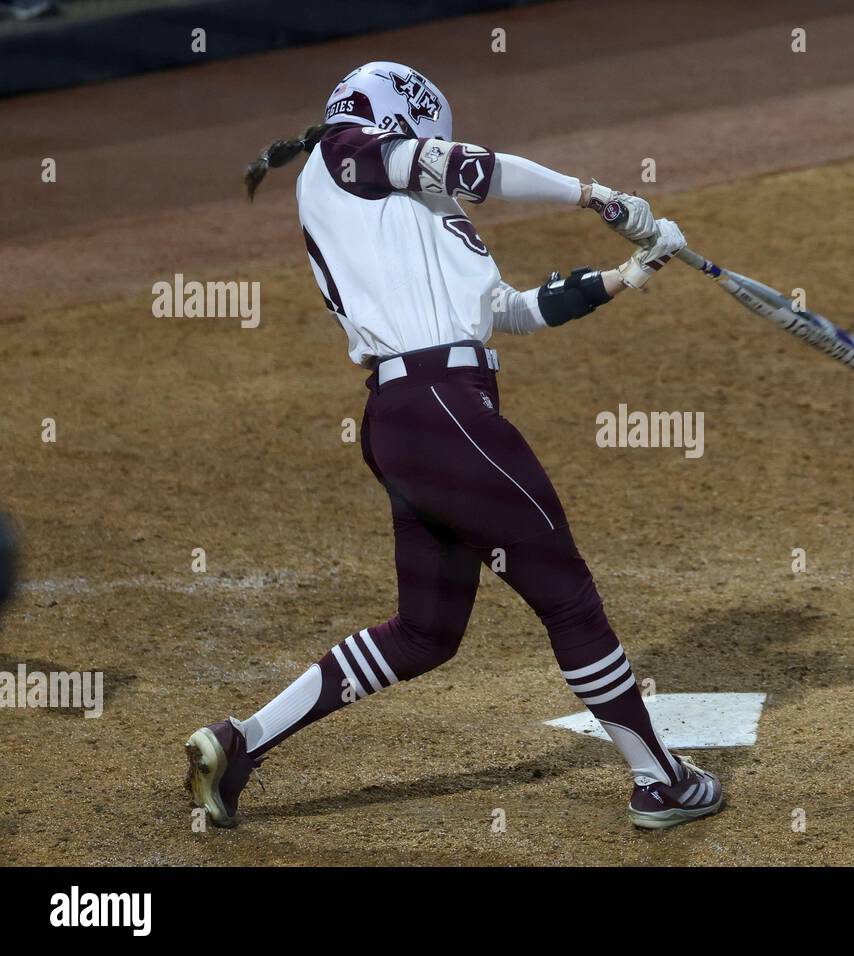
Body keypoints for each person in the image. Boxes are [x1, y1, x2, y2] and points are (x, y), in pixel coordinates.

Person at [184, 61, 722, 831]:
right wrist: (597, 195)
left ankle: (241, 743)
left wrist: (628, 273)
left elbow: (508, 310)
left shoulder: (409, 207)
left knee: (425, 633)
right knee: (564, 591)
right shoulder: (345, 151)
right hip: (439, 410)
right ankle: (658, 779)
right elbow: (476, 164)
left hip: (419, 421)